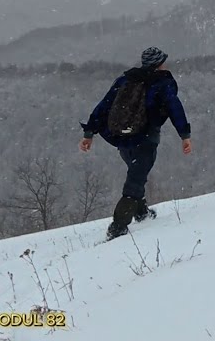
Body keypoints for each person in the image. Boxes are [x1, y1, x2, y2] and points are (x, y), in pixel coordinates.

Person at [80, 46, 193, 240]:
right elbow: (175, 108)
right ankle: (118, 226)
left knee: (136, 173)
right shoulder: (162, 82)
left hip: (123, 139)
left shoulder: (126, 79)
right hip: (146, 138)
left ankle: (141, 213)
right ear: (159, 63)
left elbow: (104, 105)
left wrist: (89, 132)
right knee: (136, 179)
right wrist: (185, 135)